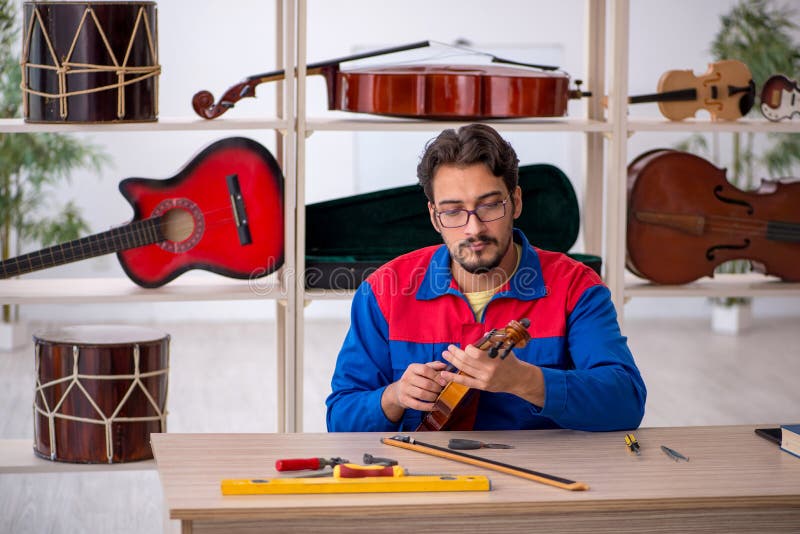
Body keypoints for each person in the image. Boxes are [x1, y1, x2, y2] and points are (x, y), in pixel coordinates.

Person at [326, 123, 646, 432]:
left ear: (516, 202)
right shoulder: (384, 290)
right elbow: (340, 417)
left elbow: (626, 400)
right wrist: (394, 396)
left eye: (490, 206)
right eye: (452, 212)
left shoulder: (577, 287)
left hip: (540, 479)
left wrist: (525, 380)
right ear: (433, 217)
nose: (474, 228)